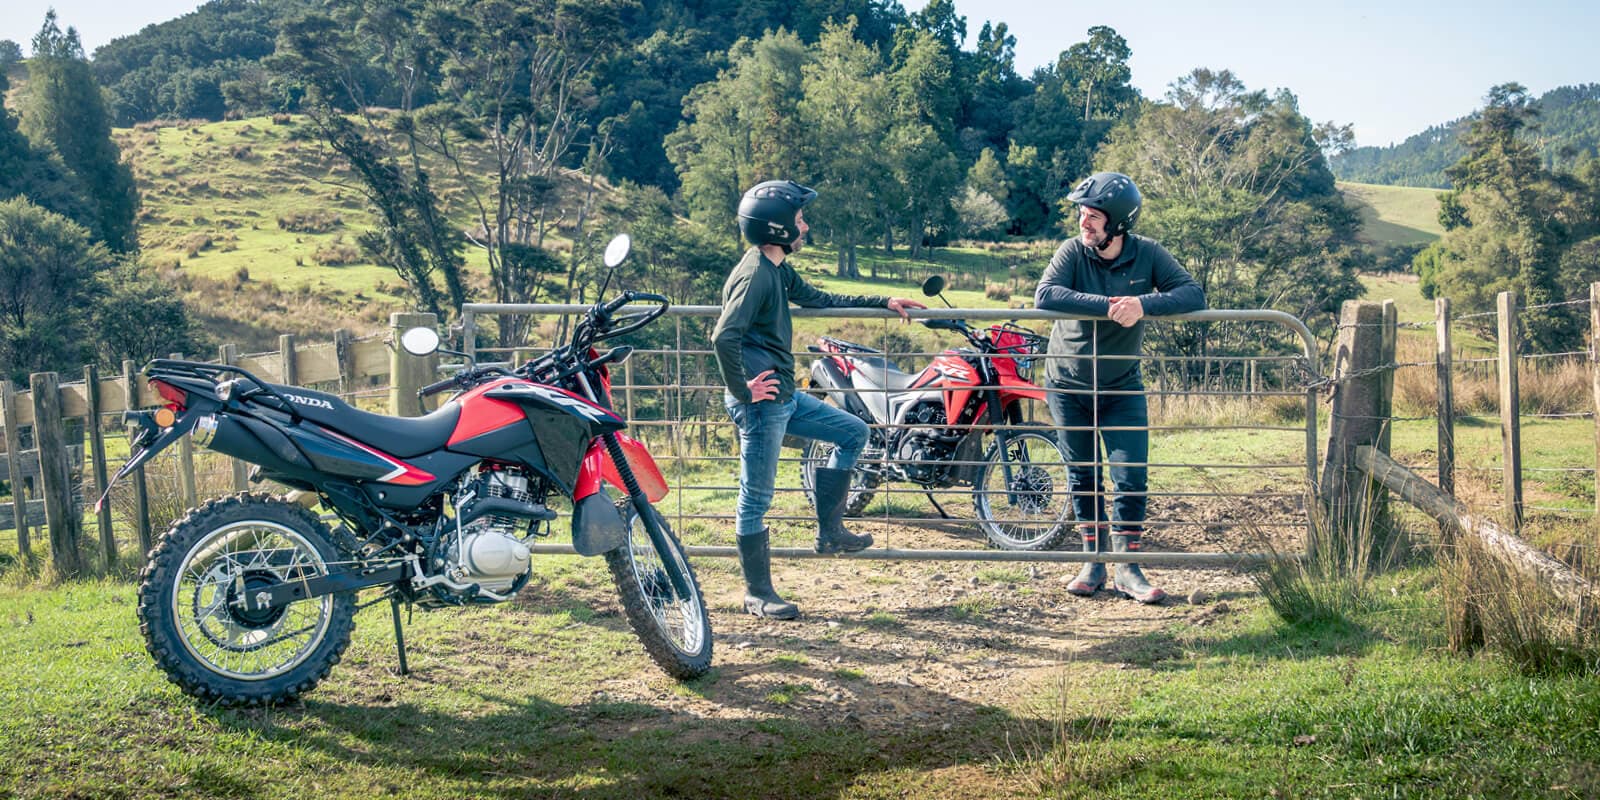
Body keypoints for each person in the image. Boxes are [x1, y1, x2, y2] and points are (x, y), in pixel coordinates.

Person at [713, 179, 926, 619]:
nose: (805, 227)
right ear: (777, 229)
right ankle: (757, 592)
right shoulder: (754, 275)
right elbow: (724, 335)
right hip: (762, 403)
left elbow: (819, 297)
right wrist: (742, 389)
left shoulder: (776, 268)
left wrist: (882, 300)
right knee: (756, 497)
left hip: (784, 398)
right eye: (799, 220)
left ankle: (831, 532)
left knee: (853, 431)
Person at [1034, 172, 1205, 604]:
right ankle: (1093, 562)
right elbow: (1046, 296)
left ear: (1119, 223)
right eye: (1081, 214)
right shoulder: (1073, 252)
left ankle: (1128, 568)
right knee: (1083, 476)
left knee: (1131, 477)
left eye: (1092, 216)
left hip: (1122, 386)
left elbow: (1192, 294)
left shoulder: (1147, 254)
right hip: (1068, 386)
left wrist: (1143, 304)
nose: (1083, 223)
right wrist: (1111, 307)